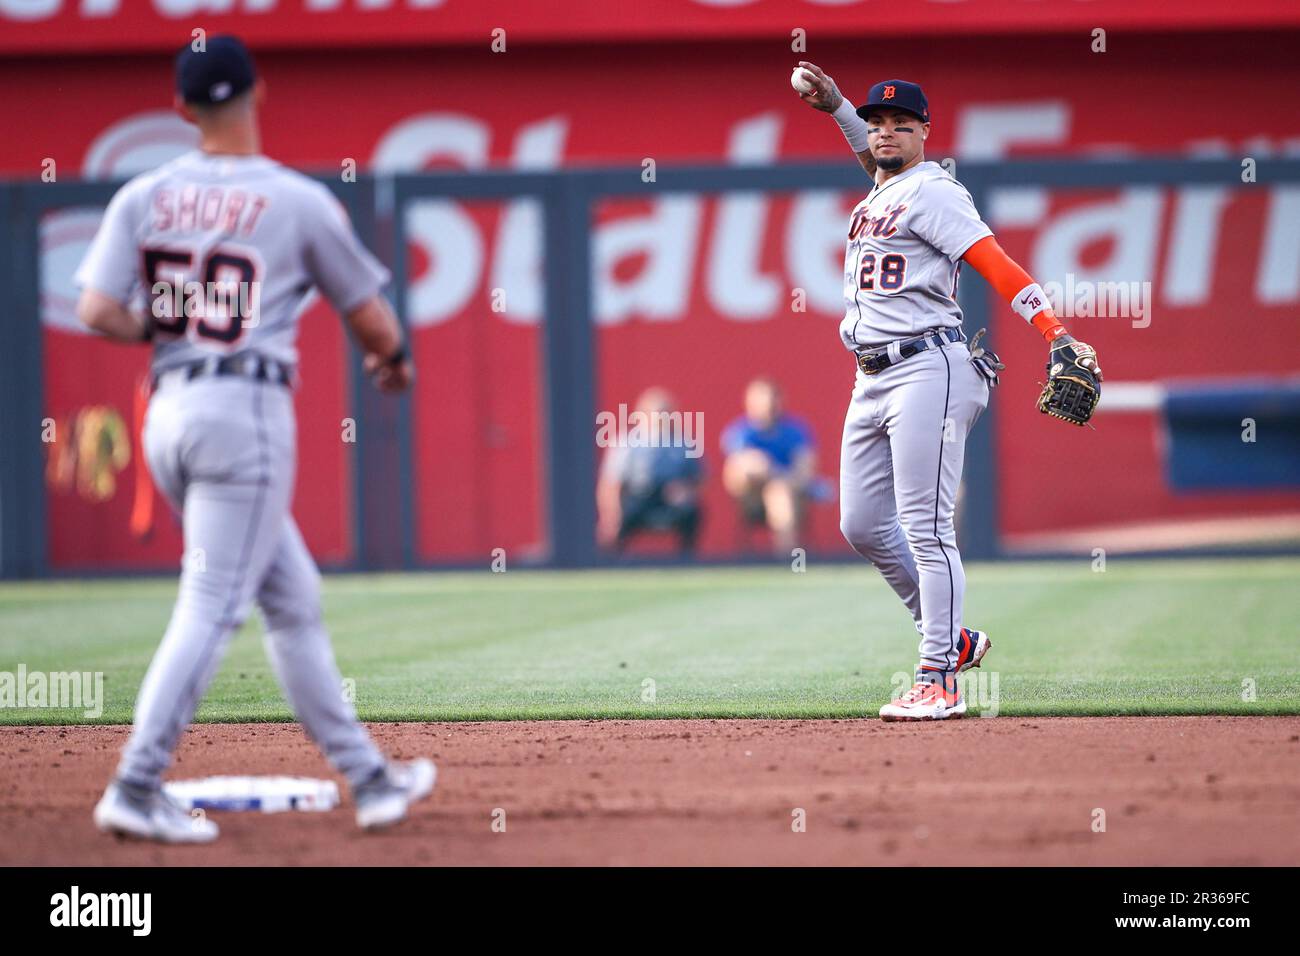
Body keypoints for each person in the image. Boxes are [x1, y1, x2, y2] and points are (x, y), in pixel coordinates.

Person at [75, 35, 434, 842]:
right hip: (244, 414)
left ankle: (371, 780)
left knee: (293, 600)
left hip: (168, 410)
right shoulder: (296, 200)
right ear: (258, 92)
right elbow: (370, 319)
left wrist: (163, 332)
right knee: (210, 603)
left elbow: (97, 309)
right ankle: (134, 784)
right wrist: (396, 365)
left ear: (181, 109)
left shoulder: (144, 193)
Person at [794, 64, 1103, 720]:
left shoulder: (934, 192)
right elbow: (876, 161)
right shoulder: (885, 190)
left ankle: (938, 677)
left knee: (926, 528)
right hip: (871, 376)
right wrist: (838, 106)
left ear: (925, 132)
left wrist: (1055, 331)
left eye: (900, 124)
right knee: (861, 524)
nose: (884, 133)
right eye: (876, 124)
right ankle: (953, 636)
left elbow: (994, 262)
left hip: (927, 368)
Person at [597, 387, 703, 555]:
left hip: (669, 498)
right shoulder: (627, 443)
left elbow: (699, 478)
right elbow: (612, 482)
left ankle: (687, 561)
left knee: (691, 512)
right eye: (656, 413)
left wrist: (685, 491)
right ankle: (612, 561)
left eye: (666, 413)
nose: (661, 418)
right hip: (638, 497)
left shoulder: (683, 443)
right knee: (623, 519)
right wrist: (611, 515)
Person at [721, 378, 817, 555]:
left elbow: (805, 471)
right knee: (749, 467)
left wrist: (777, 478)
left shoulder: (796, 432)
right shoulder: (741, 432)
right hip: (752, 498)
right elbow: (739, 472)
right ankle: (790, 559)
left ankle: (787, 558)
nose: (768, 407)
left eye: (772, 401)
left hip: (791, 494)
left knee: (779, 493)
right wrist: (769, 470)